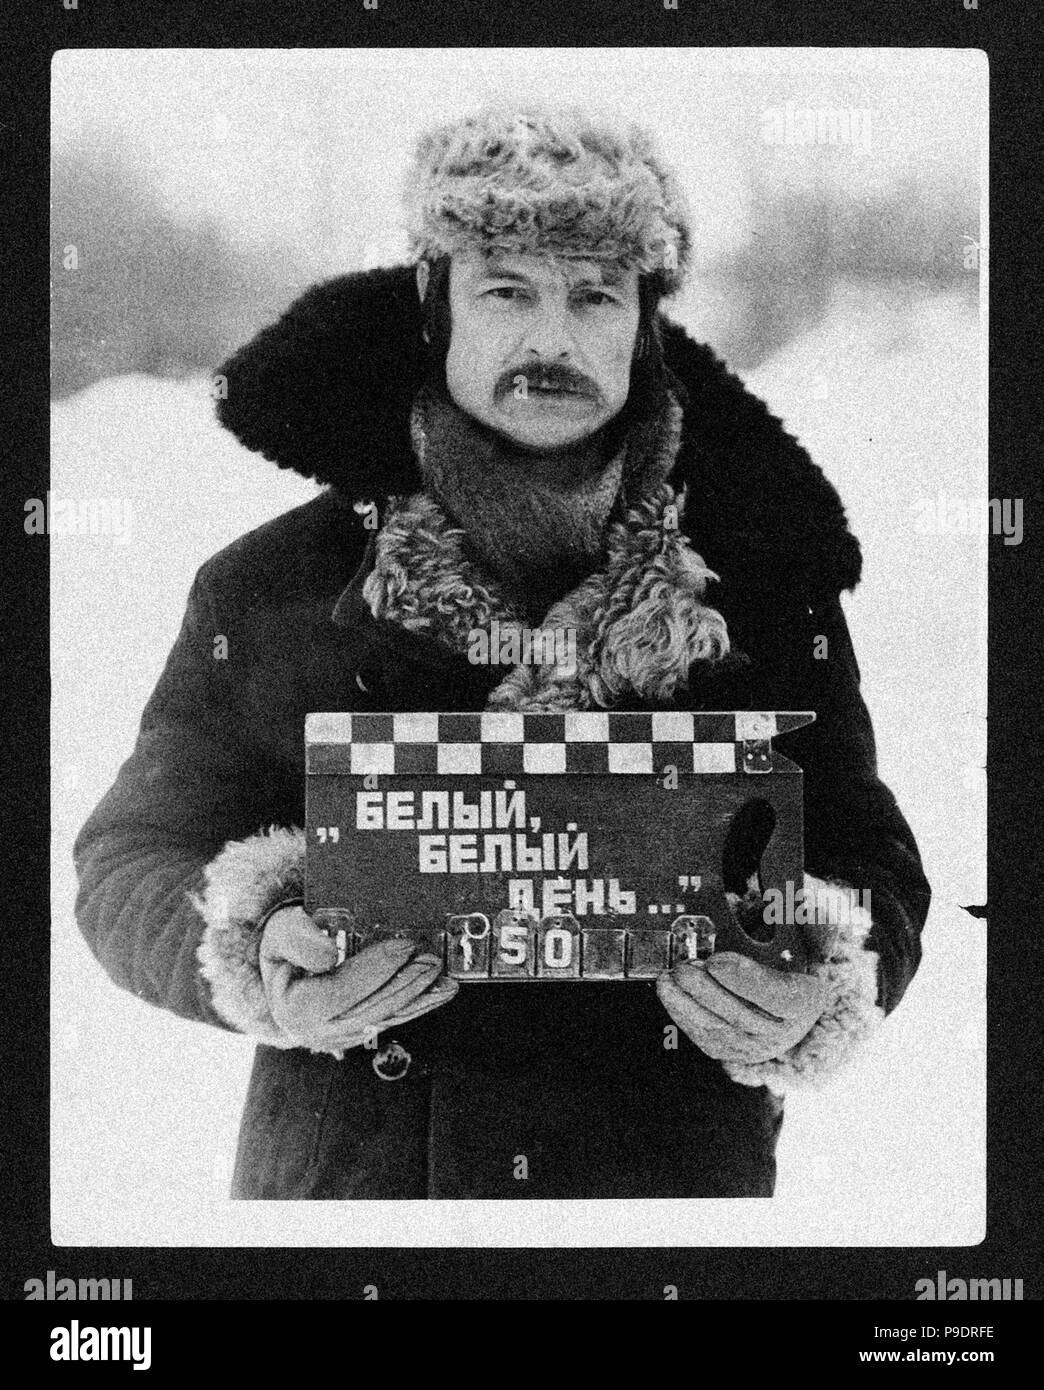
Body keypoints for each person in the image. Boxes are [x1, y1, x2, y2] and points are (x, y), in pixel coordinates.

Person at [73, 108, 930, 1199]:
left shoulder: (759, 588)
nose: (553, 343)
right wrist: (259, 950)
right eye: (507, 291)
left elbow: (875, 862)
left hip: (658, 1206)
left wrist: (823, 974)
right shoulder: (272, 585)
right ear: (437, 312)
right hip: (361, 1199)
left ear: (644, 326)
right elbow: (131, 855)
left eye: (594, 294)